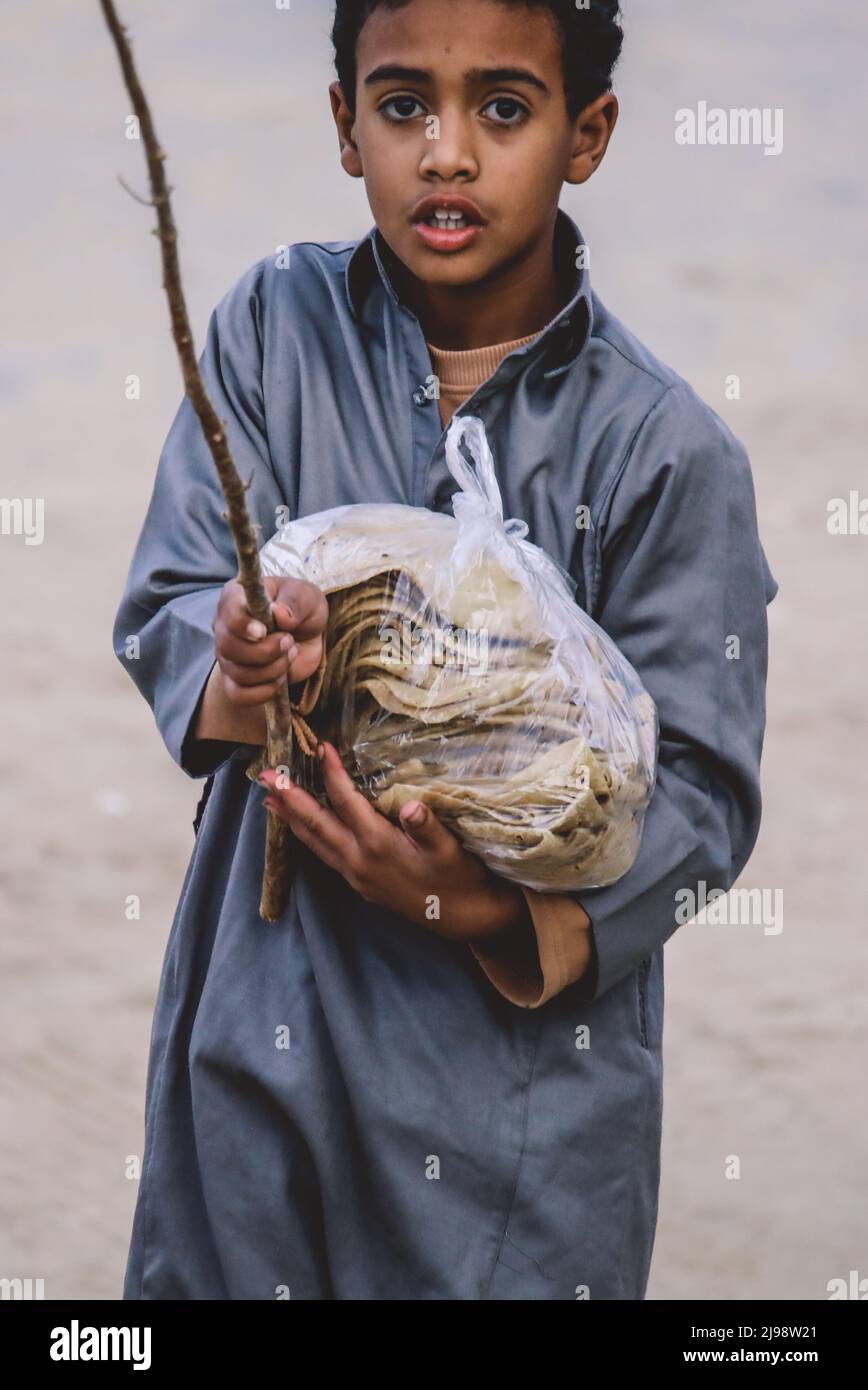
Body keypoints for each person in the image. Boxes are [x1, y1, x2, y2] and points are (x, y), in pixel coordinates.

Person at [114, 0, 778, 1300]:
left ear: (588, 135)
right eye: (404, 104)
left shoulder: (665, 452)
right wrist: (249, 653)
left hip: (513, 1117)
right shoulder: (267, 330)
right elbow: (173, 601)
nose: (448, 154)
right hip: (256, 1038)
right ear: (343, 122)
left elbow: (703, 798)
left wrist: (482, 904)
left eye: (505, 109)